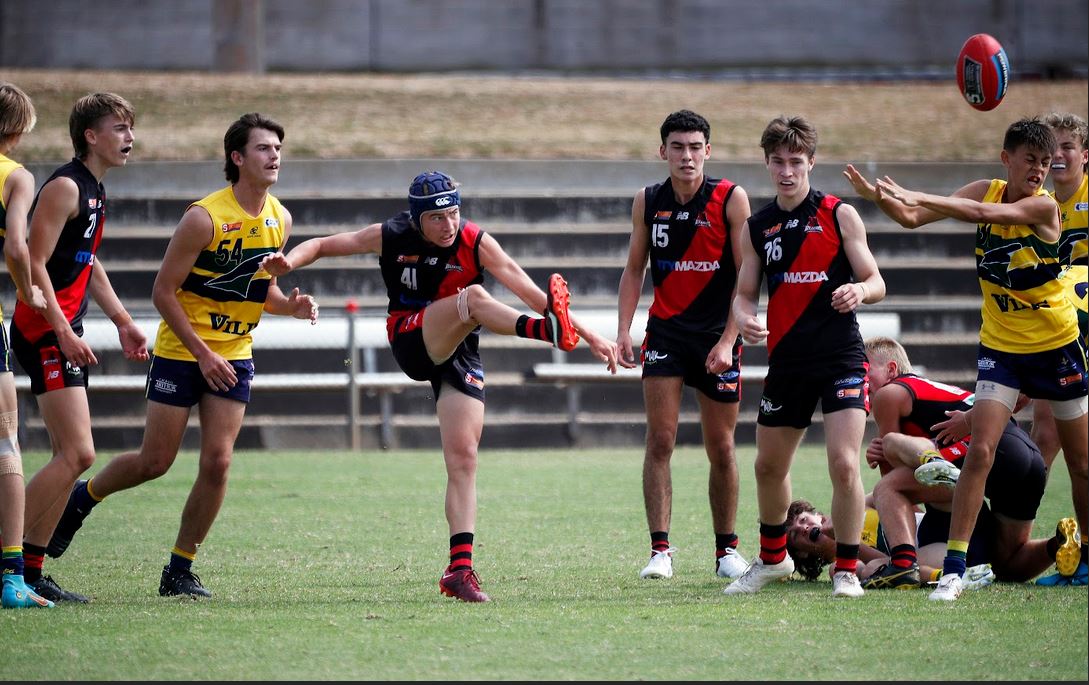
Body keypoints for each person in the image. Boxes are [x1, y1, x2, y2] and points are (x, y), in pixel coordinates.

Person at [259, 170, 619, 603]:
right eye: (437, 217)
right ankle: (546, 334)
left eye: (453, 213)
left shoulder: (476, 242)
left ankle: (459, 571)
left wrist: (593, 337)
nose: (448, 225)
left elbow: (532, 292)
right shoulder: (389, 235)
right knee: (474, 300)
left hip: (459, 348)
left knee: (464, 457)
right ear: (416, 218)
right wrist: (288, 262)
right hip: (410, 336)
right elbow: (320, 245)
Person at [45, 112, 319, 598]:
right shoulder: (203, 217)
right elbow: (163, 292)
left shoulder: (280, 217)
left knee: (218, 462)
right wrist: (202, 353)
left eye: (278, 147)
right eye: (263, 148)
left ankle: (179, 570)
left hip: (235, 354)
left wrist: (292, 307)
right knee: (155, 462)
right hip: (181, 354)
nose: (274, 155)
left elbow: (262, 292)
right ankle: (83, 498)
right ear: (237, 158)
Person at [845, 117, 1088, 601]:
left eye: (1046, 162)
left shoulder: (1042, 206)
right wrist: (881, 199)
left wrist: (919, 193)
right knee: (979, 451)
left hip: (1057, 343)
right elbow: (911, 219)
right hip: (1002, 348)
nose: (1040, 170)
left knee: (1081, 464)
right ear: (1007, 160)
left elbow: (977, 211)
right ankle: (954, 569)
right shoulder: (988, 187)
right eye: (1030, 161)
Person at [724, 115, 886, 598]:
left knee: (844, 463)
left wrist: (859, 290)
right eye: (778, 161)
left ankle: (846, 570)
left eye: (796, 161)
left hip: (839, 357)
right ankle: (773, 561)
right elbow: (744, 293)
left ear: (812, 162)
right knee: (767, 467)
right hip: (788, 361)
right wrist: (746, 318)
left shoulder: (839, 215)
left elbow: (877, 281)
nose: (787, 171)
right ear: (767, 164)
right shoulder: (758, 226)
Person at [11, 92, 147, 604]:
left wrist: (123, 321)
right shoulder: (67, 186)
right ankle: (9, 555)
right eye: (119, 128)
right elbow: (35, 261)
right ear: (90, 136)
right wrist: (63, 330)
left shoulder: (95, 189)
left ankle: (29, 569)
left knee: (70, 454)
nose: (129, 138)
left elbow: (88, 262)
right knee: (78, 452)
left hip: (63, 328)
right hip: (43, 329)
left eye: (130, 128)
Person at [615, 109, 751, 581]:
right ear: (663, 152)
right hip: (667, 335)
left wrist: (729, 339)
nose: (687, 156)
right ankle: (660, 552)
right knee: (661, 440)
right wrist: (623, 331)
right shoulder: (648, 201)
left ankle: (726, 551)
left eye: (695, 147)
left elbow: (747, 277)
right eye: (678, 147)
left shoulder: (731, 199)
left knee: (722, 446)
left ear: (708, 152)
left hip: (717, 336)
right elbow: (635, 269)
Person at [860, 336, 1078, 589]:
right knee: (1007, 562)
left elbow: (894, 481)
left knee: (887, 483)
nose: (862, 381)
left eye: (865, 370)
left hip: (989, 448)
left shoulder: (888, 394)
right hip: (1027, 458)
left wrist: (883, 454)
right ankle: (1059, 543)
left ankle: (902, 565)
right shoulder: (929, 389)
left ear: (891, 370)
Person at [1030, 112, 1088, 586]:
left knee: (1082, 455)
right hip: (1055, 338)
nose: (1060, 157)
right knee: (1043, 442)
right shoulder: (1035, 203)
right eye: (1052, 150)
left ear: (1085, 155)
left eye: (1068, 146)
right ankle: (1015, 547)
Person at [0, 82, 52, 609]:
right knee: (5, 446)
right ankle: (12, 579)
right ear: (15, 131)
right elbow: (18, 245)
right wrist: (25, 289)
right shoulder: (15, 176)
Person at [784, 497, 997, 590]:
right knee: (873, 570)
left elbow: (893, 498)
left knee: (885, 489)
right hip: (938, 554)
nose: (803, 528)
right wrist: (844, 542)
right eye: (796, 535)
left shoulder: (854, 505)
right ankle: (951, 578)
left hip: (949, 521)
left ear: (818, 516)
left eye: (803, 520)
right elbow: (887, 567)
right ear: (803, 554)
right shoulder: (839, 569)